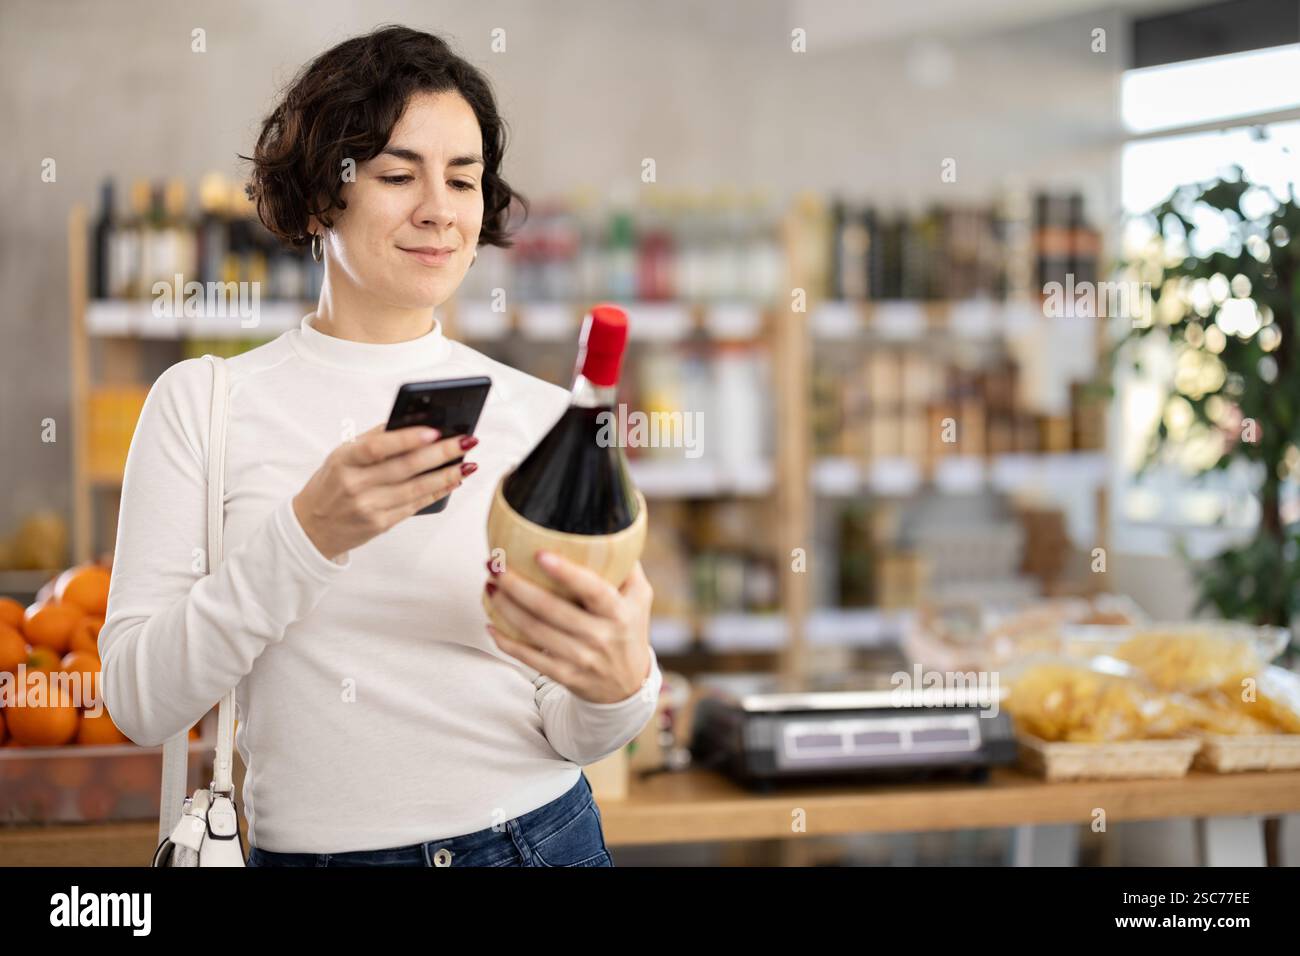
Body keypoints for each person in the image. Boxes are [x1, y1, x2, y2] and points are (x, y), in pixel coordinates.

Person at [100, 25, 661, 868]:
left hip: (537, 842)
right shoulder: (204, 406)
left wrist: (621, 688)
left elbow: (572, 727)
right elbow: (140, 703)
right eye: (398, 176)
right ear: (319, 197)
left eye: (463, 179)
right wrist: (308, 535)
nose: (439, 208)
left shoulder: (546, 420)